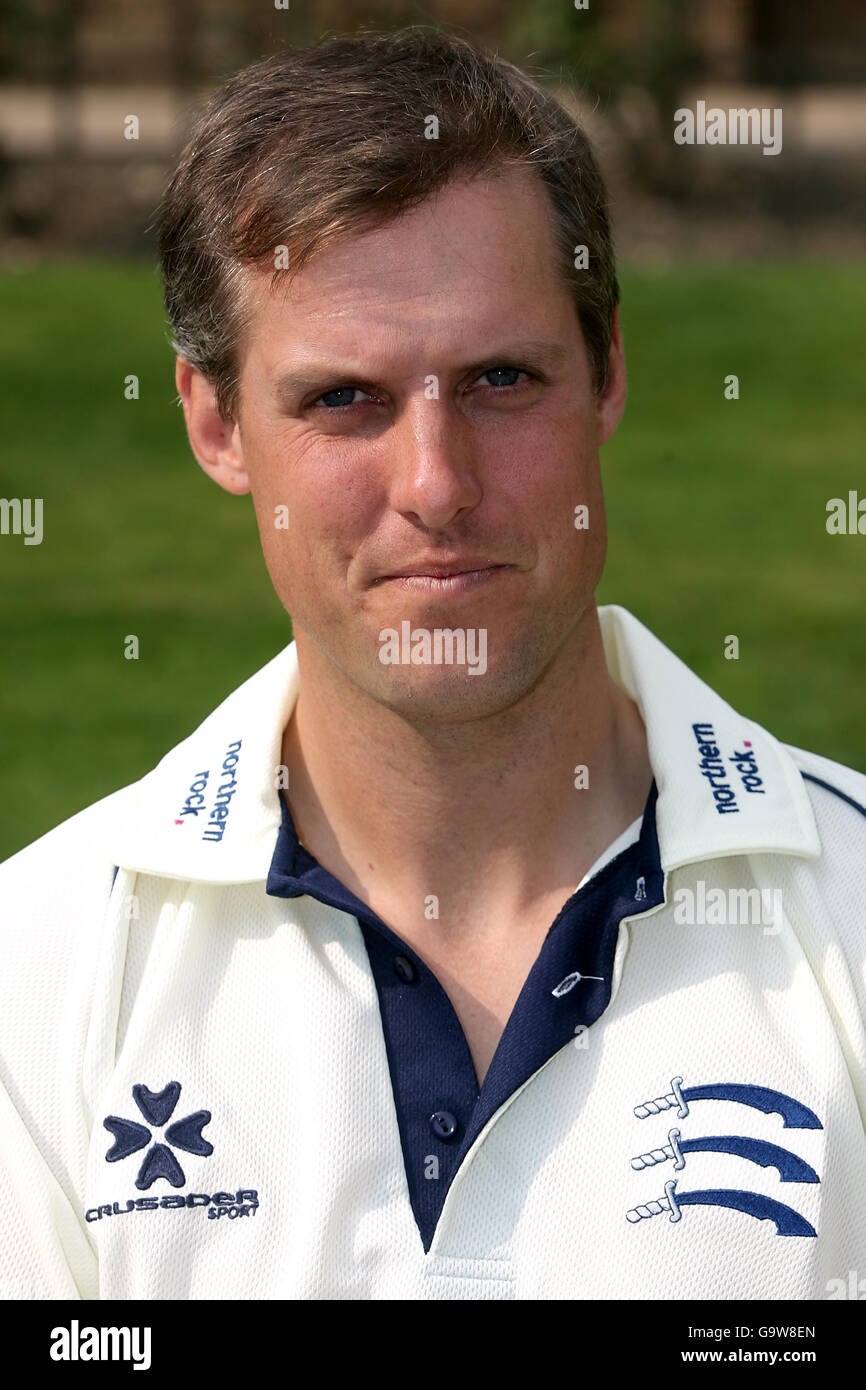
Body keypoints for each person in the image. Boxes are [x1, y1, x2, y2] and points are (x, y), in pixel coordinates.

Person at [1, 26, 864, 1302]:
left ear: (607, 372)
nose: (436, 487)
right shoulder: (40, 975)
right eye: (344, 399)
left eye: (500, 378)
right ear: (212, 421)